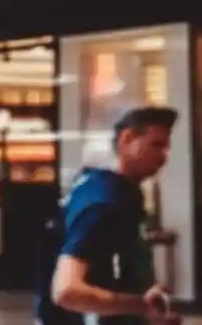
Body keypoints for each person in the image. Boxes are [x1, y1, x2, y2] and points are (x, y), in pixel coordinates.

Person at [51, 106, 180, 324]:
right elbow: (67, 290)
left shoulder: (120, 194)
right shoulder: (103, 202)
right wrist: (141, 307)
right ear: (126, 139)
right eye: (156, 145)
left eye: (166, 148)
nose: (163, 157)